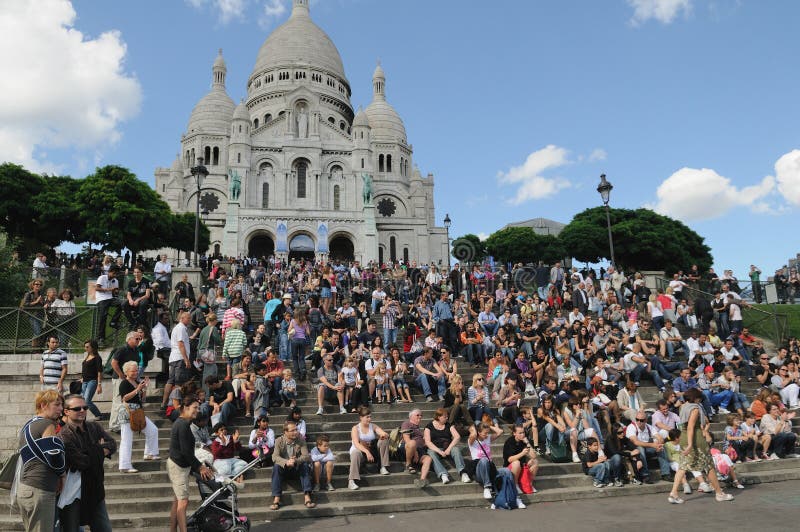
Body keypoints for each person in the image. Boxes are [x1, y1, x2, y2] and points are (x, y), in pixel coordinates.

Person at [58, 394, 116, 532]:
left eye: (85, 407)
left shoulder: (94, 427)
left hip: (95, 485)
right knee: (71, 528)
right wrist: (99, 449)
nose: (82, 411)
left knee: (104, 528)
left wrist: (90, 452)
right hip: (73, 489)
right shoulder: (64, 434)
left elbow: (112, 444)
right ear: (66, 411)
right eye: (77, 408)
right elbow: (81, 462)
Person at [667, 388, 734, 504]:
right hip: (695, 439)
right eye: (699, 398)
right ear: (696, 398)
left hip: (682, 437)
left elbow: (685, 426)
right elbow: (691, 427)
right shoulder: (695, 408)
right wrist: (690, 444)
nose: (700, 401)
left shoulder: (683, 406)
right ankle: (719, 493)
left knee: (683, 466)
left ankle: (673, 493)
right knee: (709, 465)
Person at [15, 390, 66, 532]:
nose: (61, 409)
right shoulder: (47, 424)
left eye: (61, 405)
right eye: (57, 405)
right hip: (40, 488)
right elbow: (53, 455)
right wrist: (62, 475)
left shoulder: (28, 425)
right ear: (43, 405)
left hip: (25, 488)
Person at [169, 396, 214, 532]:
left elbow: (187, 451)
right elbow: (185, 452)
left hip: (179, 464)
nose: (197, 410)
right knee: (183, 502)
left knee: (178, 500)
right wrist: (200, 467)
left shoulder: (184, 423)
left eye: (198, 407)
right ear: (185, 408)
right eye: (195, 407)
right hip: (178, 466)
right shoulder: (182, 424)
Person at [118, 361, 159, 473]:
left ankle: (149, 453)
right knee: (127, 439)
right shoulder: (124, 383)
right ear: (126, 371)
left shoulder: (137, 382)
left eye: (136, 370)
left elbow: (143, 399)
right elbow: (124, 398)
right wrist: (137, 389)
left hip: (138, 411)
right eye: (133, 370)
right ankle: (124, 465)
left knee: (153, 430)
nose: (136, 372)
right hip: (127, 412)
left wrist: (144, 388)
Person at [271, 421, 316, 510]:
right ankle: (276, 498)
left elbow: (306, 456)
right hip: (284, 469)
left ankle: (307, 496)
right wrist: (286, 462)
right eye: (292, 430)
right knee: (276, 466)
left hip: (296, 468)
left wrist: (295, 461)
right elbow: (274, 457)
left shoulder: (301, 439)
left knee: (304, 465)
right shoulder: (279, 441)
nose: (295, 432)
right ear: (286, 432)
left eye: (296, 429)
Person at [348, 407, 391, 490]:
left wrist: (384, 435)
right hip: (360, 450)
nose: (369, 419)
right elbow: (356, 444)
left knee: (384, 441)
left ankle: (383, 466)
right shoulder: (355, 428)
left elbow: (382, 432)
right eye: (367, 417)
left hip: (372, 450)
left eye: (370, 417)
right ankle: (351, 481)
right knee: (355, 453)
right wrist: (367, 452)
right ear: (361, 418)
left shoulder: (373, 426)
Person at [424, 407, 469, 485]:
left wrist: (448, 449)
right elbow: (428, 442)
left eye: (447, 416)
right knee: (431, 453)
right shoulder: (429, 426)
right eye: (445, 417)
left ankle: (463, 472)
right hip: (435, 448)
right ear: (439, 417)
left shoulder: (448, 425)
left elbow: (457, 436)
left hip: (447, 447)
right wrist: (439, 451)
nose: (447, 418)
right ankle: (443, 474)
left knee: (456, 449)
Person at [625, 410, 671, 483]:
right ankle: (645, 475)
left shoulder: (649, 427)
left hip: (648, 448)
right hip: (634, 449)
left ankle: (666, 474)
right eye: (637, 419)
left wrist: (659, 445)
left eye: (641, 420)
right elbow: (636, 442)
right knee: (641, 449)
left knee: (662, 448)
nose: (639, 422)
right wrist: (652, 445)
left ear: (646, 420)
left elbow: (660, 438)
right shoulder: (631, 427)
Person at [109, 331, 141, 433]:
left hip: (130, 378)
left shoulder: (136, 350)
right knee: (118, 400)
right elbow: (114, 362)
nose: (139, 341)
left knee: (124, 401)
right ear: (129, 339)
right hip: (120, 378)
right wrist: (120, 374)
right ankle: (114, 425)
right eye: (137, 339)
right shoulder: (122, 349)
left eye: (140, 339)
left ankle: (120, 423)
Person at [162, 310, 193, 410]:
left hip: (173, 358)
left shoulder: (177, 328)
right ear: (182, 318)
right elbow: (181, 344)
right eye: (188, 318)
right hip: (179, 358)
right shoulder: (181, 328)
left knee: (171, 380)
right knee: (180, 382)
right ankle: (177, 403)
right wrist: (186, 359)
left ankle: (164, 403)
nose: (190, 320)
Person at [467, 422, 504, 499]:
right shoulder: (472, 441)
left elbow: (500, 431)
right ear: (479, 432)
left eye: (488, 432)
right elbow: (473, 435)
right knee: (483, 460)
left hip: (489, 469)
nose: (487, 435)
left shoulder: (488, 438)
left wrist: (488, 426)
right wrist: (474, 429)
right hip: (478, 471)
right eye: (485, 433)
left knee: (506, 471)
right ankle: (487, 487)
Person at [400, 408, 434, 487]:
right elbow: (407, 439)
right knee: (412, 442)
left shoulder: (418, 427)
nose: (420, 416)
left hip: (419, 449)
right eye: (417, 415)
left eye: (421, 415)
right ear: (411, 416)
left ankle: (422, 480)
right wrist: (415, 453)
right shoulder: (407, 423)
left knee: (428, 459)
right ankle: (408, 465)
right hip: (408, 448)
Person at [503, 423, 540, 494]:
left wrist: (527, 443)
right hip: (511, 468)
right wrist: (522, 453)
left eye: (523, 432)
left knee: (535, 461)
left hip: (522, 467)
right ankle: (515, 485)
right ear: (514, 433)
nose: (522, 435)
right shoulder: (510, 442)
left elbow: (534, 456)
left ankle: (529, 484)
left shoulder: (524, 441)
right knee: (517, 463)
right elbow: (509, 459)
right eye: (520, 433)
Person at [94, 265, 122, 347]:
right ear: (109, 271)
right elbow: (97, 288)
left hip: (111, 298)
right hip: (101, 299)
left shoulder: (116, 281)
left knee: (122, 304)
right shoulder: (102, 277)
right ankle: (101, 338)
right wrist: (108, 289)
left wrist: (116, 292)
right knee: (103, 317)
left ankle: (114, 321)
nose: (114, 275)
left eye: (116, 274)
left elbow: (115, 293)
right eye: (113, 273)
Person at [80, 339, 104, 419]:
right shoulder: (87, 357)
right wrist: (82, 378)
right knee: (82, 401)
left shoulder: (97, 358)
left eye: (87, 347)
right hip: (84, 382)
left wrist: (99, 385)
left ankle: (98, 415)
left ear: (93, 347)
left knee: (86, 400)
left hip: (92, 381)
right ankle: (83, 417)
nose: (85, 349)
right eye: (85, 347)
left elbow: (99, 372)